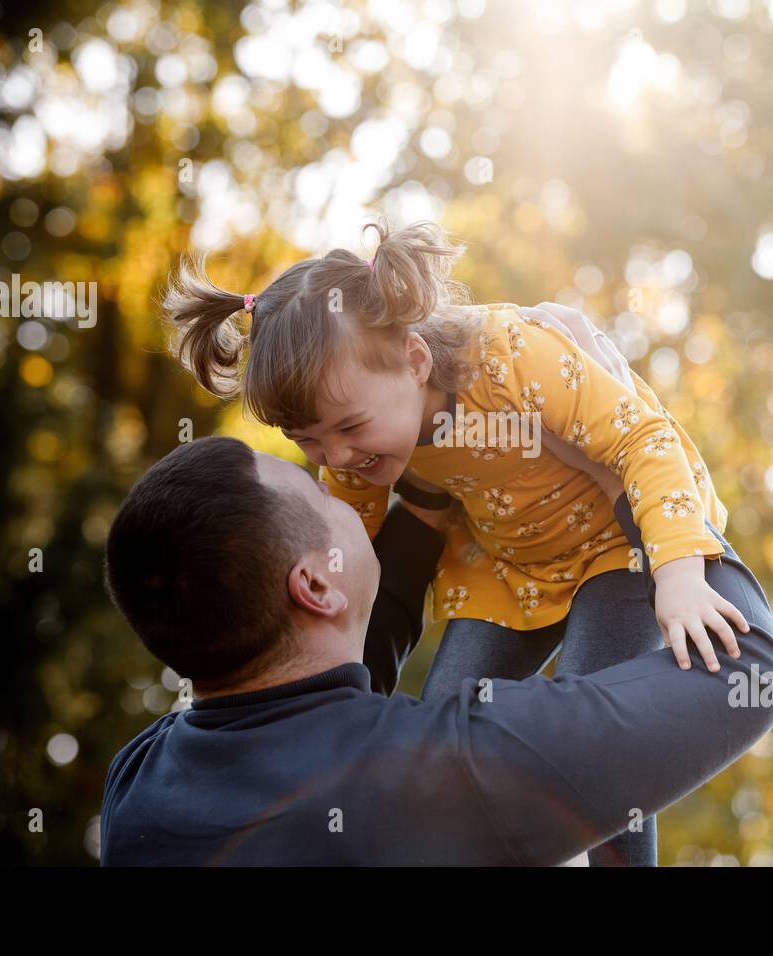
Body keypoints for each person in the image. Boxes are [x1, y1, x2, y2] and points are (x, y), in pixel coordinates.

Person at [158, 219, 743, 865]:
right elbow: (353, 556)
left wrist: (681, 574)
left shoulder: (511, 356)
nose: (337, 457)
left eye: (349, 427)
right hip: (508, 567)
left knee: (598, 729)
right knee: (439, 738)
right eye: (309, 442)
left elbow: (644, 441)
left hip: (620, 548)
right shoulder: (353, 447)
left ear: (414, 360)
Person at [99, 432, 773, 865]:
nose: (342, 488)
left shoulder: (139, 790)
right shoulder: (446, 771)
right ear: (314, 584)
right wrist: (634, 489)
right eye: (319, 494)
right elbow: (750, 670)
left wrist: (430, 509)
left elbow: (328, 682)